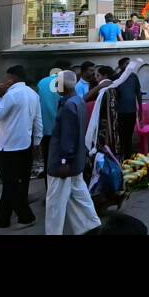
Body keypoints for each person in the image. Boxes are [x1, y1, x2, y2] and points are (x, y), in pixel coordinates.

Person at [46, 70, 102, 235]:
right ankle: (91, 225)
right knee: (79, 196)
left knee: (55, 202)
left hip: (64, 162)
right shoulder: (77, 101)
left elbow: (68, 136)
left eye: (58, 83)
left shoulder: (70, 105)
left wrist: (64, 161)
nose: (56, 87)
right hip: (75, 160)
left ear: (63, 85)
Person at [0, 65, 44, 229]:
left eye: (7, 78)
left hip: (8, 146)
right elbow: (38, 120)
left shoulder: (10, 95)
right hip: (25, 144)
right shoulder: (33, 94)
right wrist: (36, 142)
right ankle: (3, 219)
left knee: (11, 184)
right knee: (13, 183)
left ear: (12, 77)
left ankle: (26, 216)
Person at [114, 57, 141, 158]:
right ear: (121, 66)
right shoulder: (116, 77)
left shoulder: (134, 77)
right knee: (121, 134)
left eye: (129, 64)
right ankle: (121, 155)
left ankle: (128, 156)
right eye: (126, 64)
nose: (128, 66)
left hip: (132, 111)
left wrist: (140, 110)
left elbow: (138, 93)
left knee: (129, 134)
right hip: (120, 112)